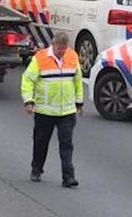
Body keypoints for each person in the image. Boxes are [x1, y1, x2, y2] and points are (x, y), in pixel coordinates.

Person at [21, 31, 83, 187]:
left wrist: (79, 103)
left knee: (66, 143)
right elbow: (27, 79)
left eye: (64, 49)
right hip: (45, 111)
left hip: (67, 111)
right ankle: (37, 169)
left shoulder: (72, 56)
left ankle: (68, 177)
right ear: (53, 45)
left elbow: (77, 81)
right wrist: (29, 101)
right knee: (41, 142)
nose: (61, 52)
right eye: (58, 49)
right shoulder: (40, 58)